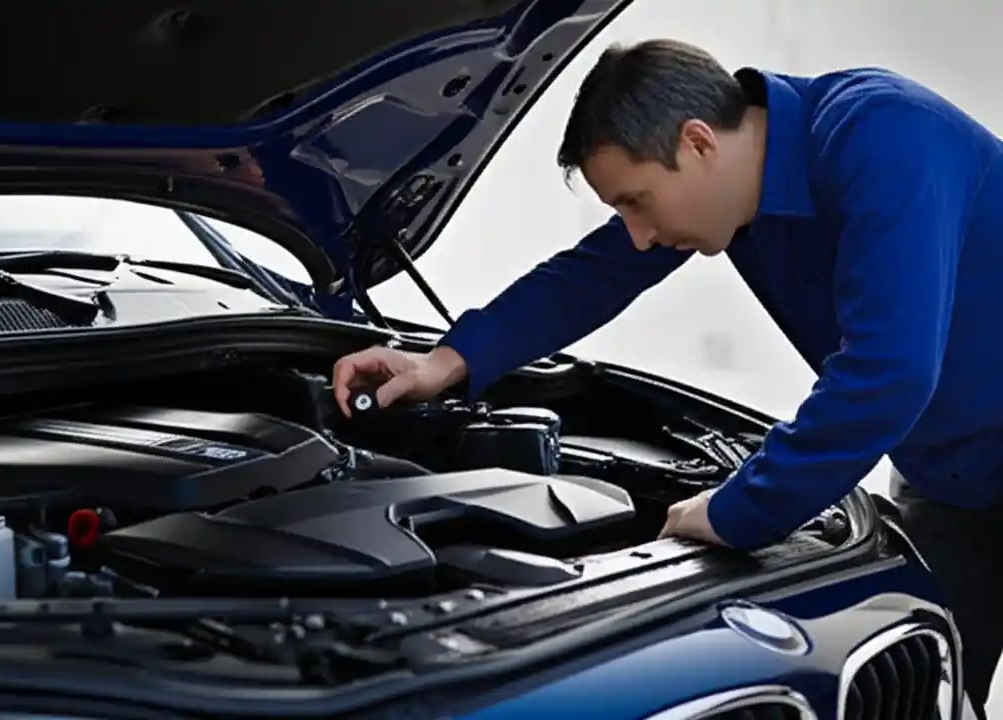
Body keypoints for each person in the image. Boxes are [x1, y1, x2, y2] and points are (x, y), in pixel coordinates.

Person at [332, 39, 1003, 716]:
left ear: (699, 142)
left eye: (637, 202)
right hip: (948, 476)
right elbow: (590, 274)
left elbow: (888, 373)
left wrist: (736, 509)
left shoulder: (887, 138)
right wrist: (445, 363)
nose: (640, 234)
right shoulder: (738, 183)